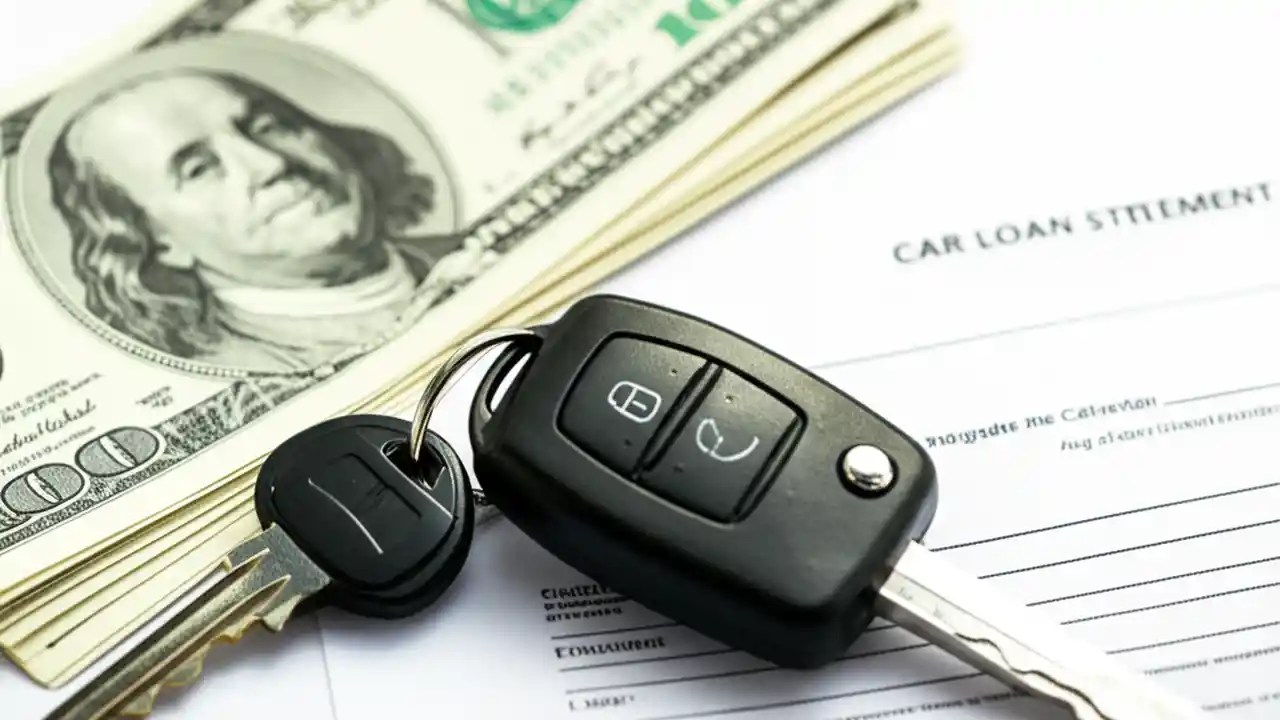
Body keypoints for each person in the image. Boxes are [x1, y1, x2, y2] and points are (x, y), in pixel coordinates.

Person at [46, 69, 495, 373]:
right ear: (158, 242)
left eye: (265, 126)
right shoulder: (242, 370)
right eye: (199, 169)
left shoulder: (485, 249)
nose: (268, 163)